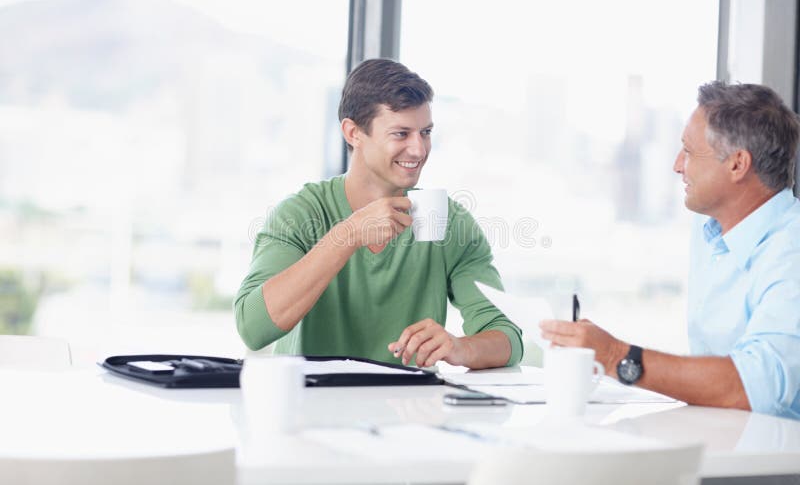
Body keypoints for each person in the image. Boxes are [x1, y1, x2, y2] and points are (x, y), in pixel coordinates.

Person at [234, 58, 522, 369]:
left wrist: (460, 348)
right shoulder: (300, 214)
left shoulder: (448, 221)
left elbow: (507, 336)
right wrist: (348, 235)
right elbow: (254, 328)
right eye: (401, 134)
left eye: (425, 132)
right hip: (315, 410)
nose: (419, 150)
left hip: (410, 413)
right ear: (353, 133)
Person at [540, 81, 800, 419]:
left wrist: (615, 356)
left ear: (737, 164)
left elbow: (755, 388)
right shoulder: (710, 229)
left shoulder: (791, 249)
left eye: (689, 152)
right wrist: (597, 349)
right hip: (726, 439)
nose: (678, 165)